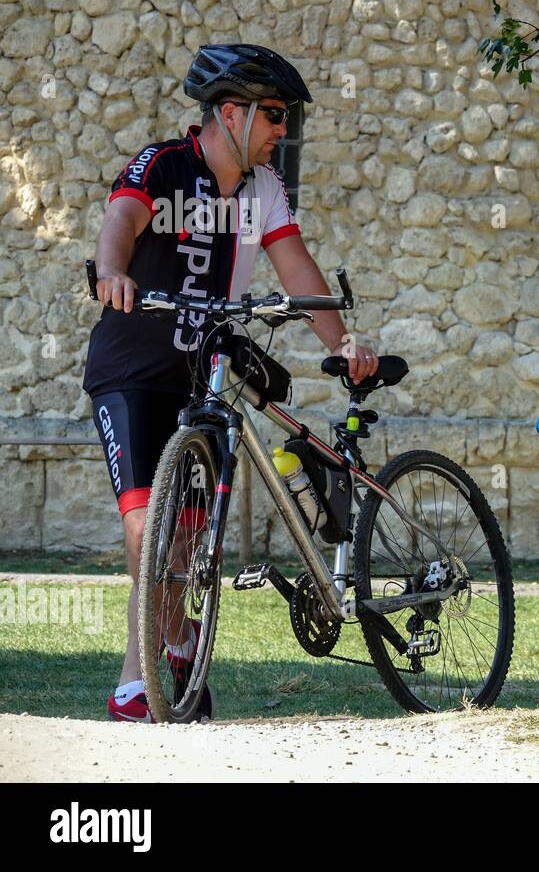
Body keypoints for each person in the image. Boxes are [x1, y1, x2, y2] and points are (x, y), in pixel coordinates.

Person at [85, 44, 381, 722]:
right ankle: (154, 664)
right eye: (275, 116)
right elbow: (121, 220)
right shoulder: (163, 164)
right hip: (131, 370)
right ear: (230, 112)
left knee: (186, 538)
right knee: (145, 526)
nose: (284, 131)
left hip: (205, 376)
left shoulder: (264, 191)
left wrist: (343, 344)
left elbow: (297, 269)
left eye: (286, 118)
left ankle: (165, 656)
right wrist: (113, 272)